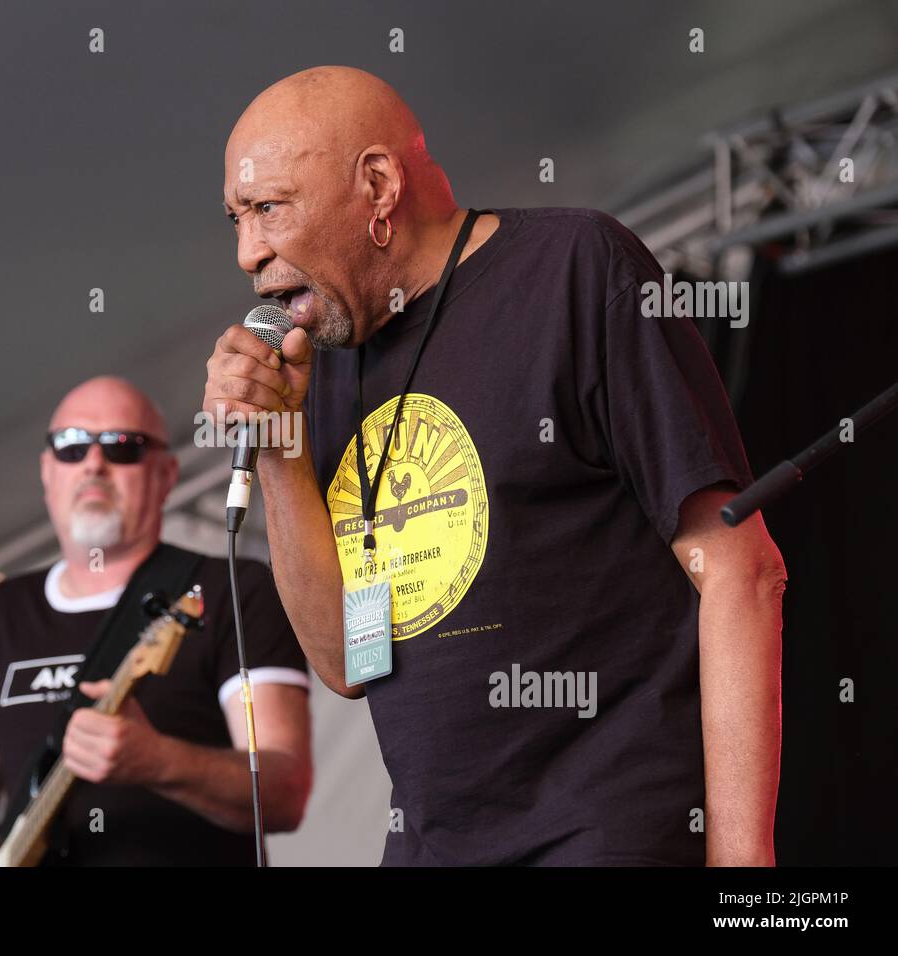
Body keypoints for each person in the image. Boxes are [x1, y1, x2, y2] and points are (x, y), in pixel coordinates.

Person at [203, 65, 786, 866]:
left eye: (269, 209)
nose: (248, 251)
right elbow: (342, 661)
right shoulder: (328, 360)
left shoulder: (574, 268)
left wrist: (744, 875)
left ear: (376, 186)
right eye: (236, 218)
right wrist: (277, 446)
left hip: (607, 834)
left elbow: (740, 572)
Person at [0, 376, 312, 866]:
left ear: (166, 475)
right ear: (46, 471)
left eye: (124, 447)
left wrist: (160, 762)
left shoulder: (230, 587)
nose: (94, 464)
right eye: (71, 446)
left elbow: (285, 789)